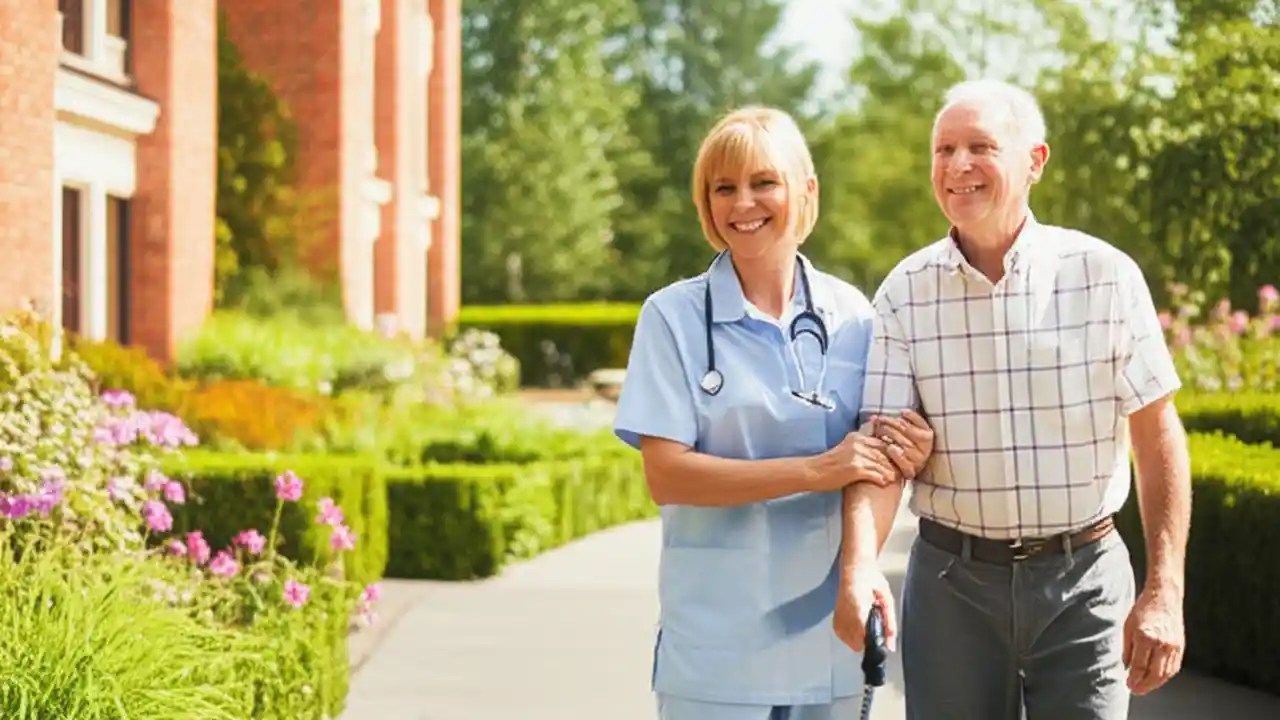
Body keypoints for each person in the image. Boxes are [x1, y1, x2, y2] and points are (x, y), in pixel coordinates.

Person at [833, 78, 1192, 720]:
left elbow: (1157, 433)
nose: (957, 166)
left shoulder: (1105, 276)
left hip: (1084, 581)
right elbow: (879, 459)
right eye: (943, 150)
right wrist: (859, 569)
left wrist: (1166, 588)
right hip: (952, 587)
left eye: (980, 147)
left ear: (1035, 161)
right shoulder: (903, 293)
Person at [612, 106, 933, 720]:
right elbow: (668, 475)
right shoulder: (673, 318)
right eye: (723, 188)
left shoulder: (856, 318)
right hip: (716, 653)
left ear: (805, 191)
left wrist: (907, 457)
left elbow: (877, 462)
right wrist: (815, 469)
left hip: (830, 642)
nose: (743, 203)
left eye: (764, 182)